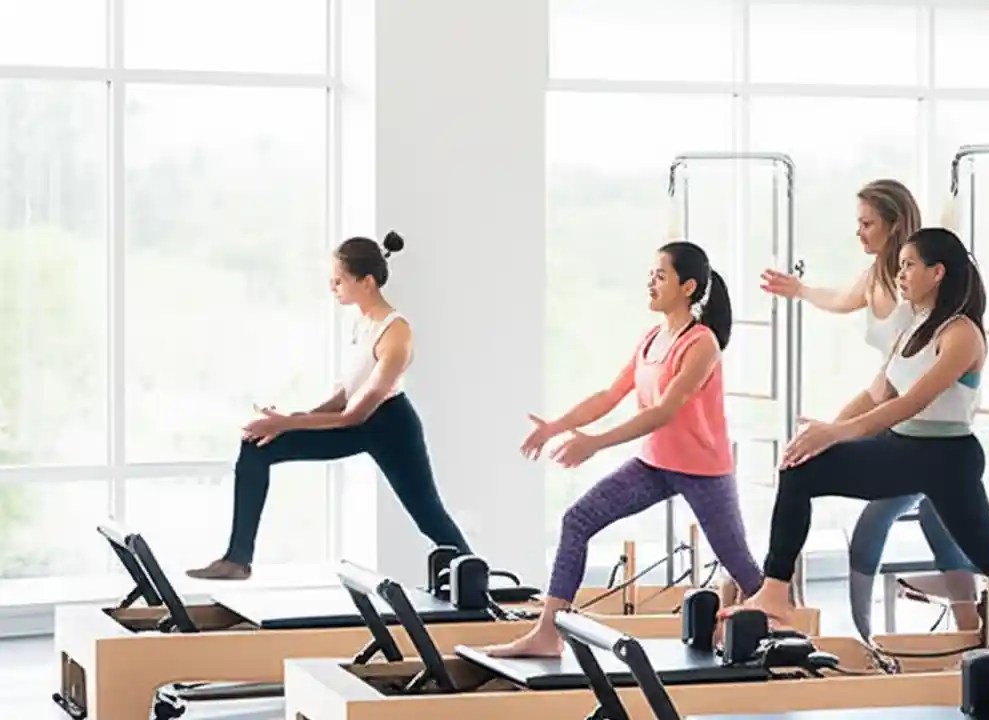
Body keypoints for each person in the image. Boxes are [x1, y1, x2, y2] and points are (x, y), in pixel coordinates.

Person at [721, 227, 989, 636]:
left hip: (946, 458)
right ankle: (774, 593)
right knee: (800, 467)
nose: (901, 274)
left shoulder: (962, 333)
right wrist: (825, 431)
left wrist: (838, 435)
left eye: (910, 265)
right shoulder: (914, 326)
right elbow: (879, 392)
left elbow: (911, 402)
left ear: (938, 273)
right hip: (906, 448)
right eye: (899, 267)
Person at [483, 240, 764, 658]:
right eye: (650, 274)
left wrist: (595, 443)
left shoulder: (701, 344)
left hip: (703, 470)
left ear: (688, 287)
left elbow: (664, 411)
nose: (651, 282)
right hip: (655, 464)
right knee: (577, 521)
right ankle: (547, 634)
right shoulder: (652, 338)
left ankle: (785, 637)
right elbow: (609, 394)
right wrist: (556, 427)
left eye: (661, 275)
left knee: (744, 570)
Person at [759, 179, 980, 639]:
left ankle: (964, 632)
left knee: (918, 524)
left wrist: (839, 430)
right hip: (889, 413)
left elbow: (916, 384)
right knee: (937, 526)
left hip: (923, 425)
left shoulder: (913, 284)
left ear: (893, 224)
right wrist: (799, 290)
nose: (858, 232)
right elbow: (841, 302)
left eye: (866, 223)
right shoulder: (879, 274)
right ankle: (956, 632)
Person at [186, 232, 473, 580]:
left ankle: (475, 581)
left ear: (367, 282)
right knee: (256, 448)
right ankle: (237, 560)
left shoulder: (396, 333)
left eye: (339, 280)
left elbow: (356, 414)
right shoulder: (362, 322)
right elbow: (344, 396)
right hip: (359, 420)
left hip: (390, 426)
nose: (332, 287)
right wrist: (293, 418)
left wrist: (286, 424)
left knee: (429, 516)